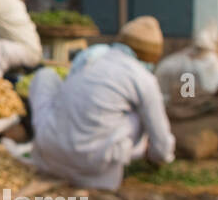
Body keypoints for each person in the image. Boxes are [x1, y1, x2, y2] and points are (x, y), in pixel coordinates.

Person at [28, 16, 176, 190]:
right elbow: (162, 145)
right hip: (93, 169)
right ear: (152, 57)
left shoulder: (92, 57)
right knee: (140, 114)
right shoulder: (143, 78)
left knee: (45, 76)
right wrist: (157, 157)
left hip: (49, 155)